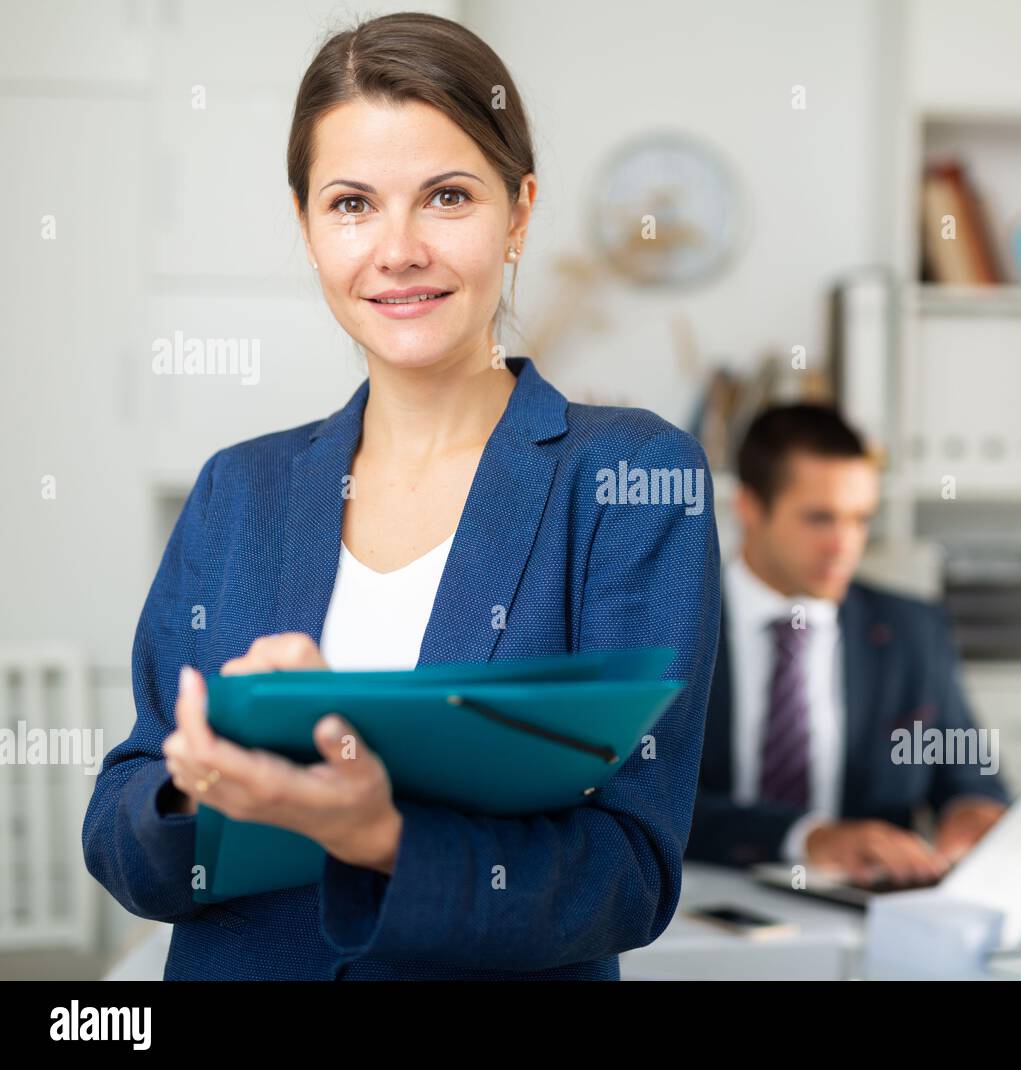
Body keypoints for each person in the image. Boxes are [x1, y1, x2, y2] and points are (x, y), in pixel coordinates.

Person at [81, 11, 720, 981]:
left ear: (519, 210)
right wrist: (197, 785)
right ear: (304, 225)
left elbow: (630, 871)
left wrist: (383, 835)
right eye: (351, 204)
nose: (398, 248)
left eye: (447, 197)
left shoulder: (629, 480)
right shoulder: (238, 490)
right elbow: (122, 825)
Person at [686, 404, 1006, 884]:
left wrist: (973, 812)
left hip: (869, 915)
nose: (845, 546)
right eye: (820, 519)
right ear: (749, 508)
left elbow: (969, 776)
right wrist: (806, 837)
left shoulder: (913, 631)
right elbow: (638, 800)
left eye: (860, 520)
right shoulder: (671, 622)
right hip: (704, 904)